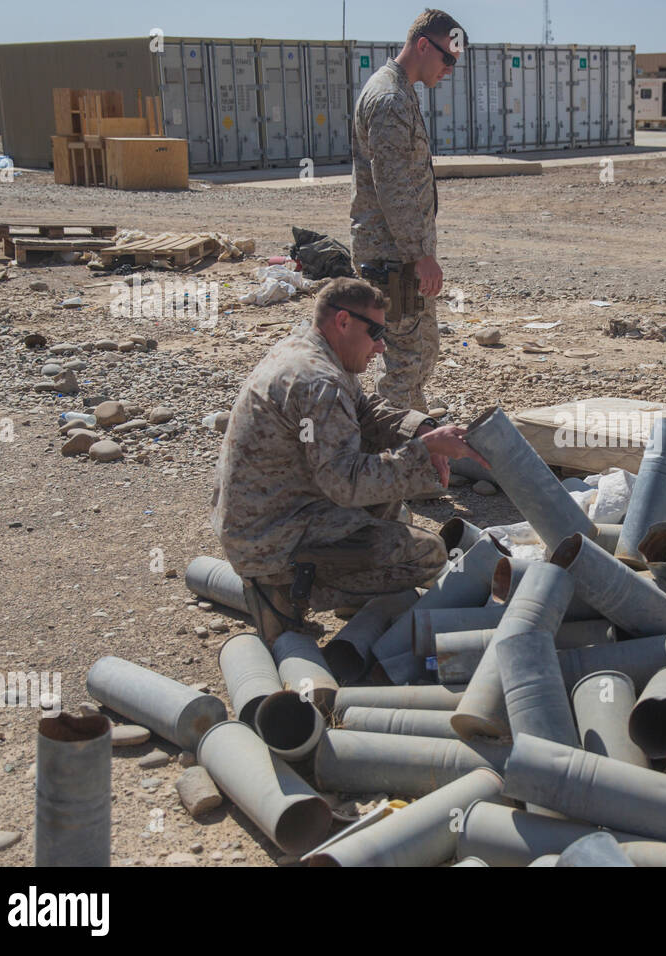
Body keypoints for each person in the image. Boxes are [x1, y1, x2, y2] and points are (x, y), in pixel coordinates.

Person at [210, 277, 488, 645]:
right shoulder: (319, 382)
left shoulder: (312, 351)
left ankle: (351, 593)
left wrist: (421, 430)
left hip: (270, 511)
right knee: (428, 555)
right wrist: (425, 453)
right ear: (343, 321)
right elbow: (347, 484)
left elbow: (365, 411)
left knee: (385, 473)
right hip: (271, 536)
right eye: (374, 332)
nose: (380, 346)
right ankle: (288, 589)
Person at [351, 8, 467, 413]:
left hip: (402, 257)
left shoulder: (400, 92)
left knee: (423, 351)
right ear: (423, 45)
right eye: (447, 59)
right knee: (405, 363)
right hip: (394, 260)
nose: (450, 70)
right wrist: (420, 255)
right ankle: (395, 453)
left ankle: (414, 433)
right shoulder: (388, 99)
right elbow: (393, 185)